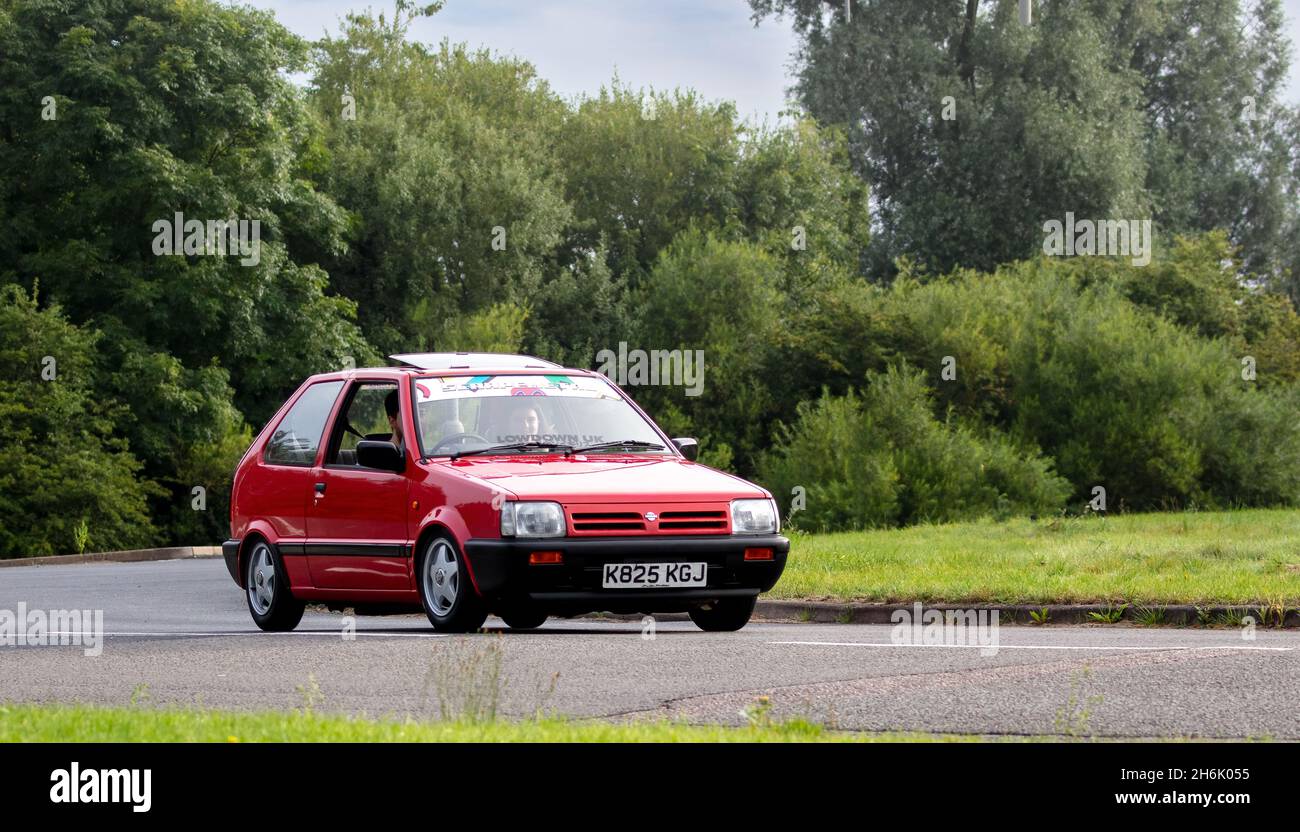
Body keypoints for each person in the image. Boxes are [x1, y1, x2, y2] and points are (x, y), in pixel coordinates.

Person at [385, 389, 405, 454]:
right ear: (392, 421)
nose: (420, 420)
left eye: (422, 413)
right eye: (410, 413)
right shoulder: (382, 456)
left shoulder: (430, 453)